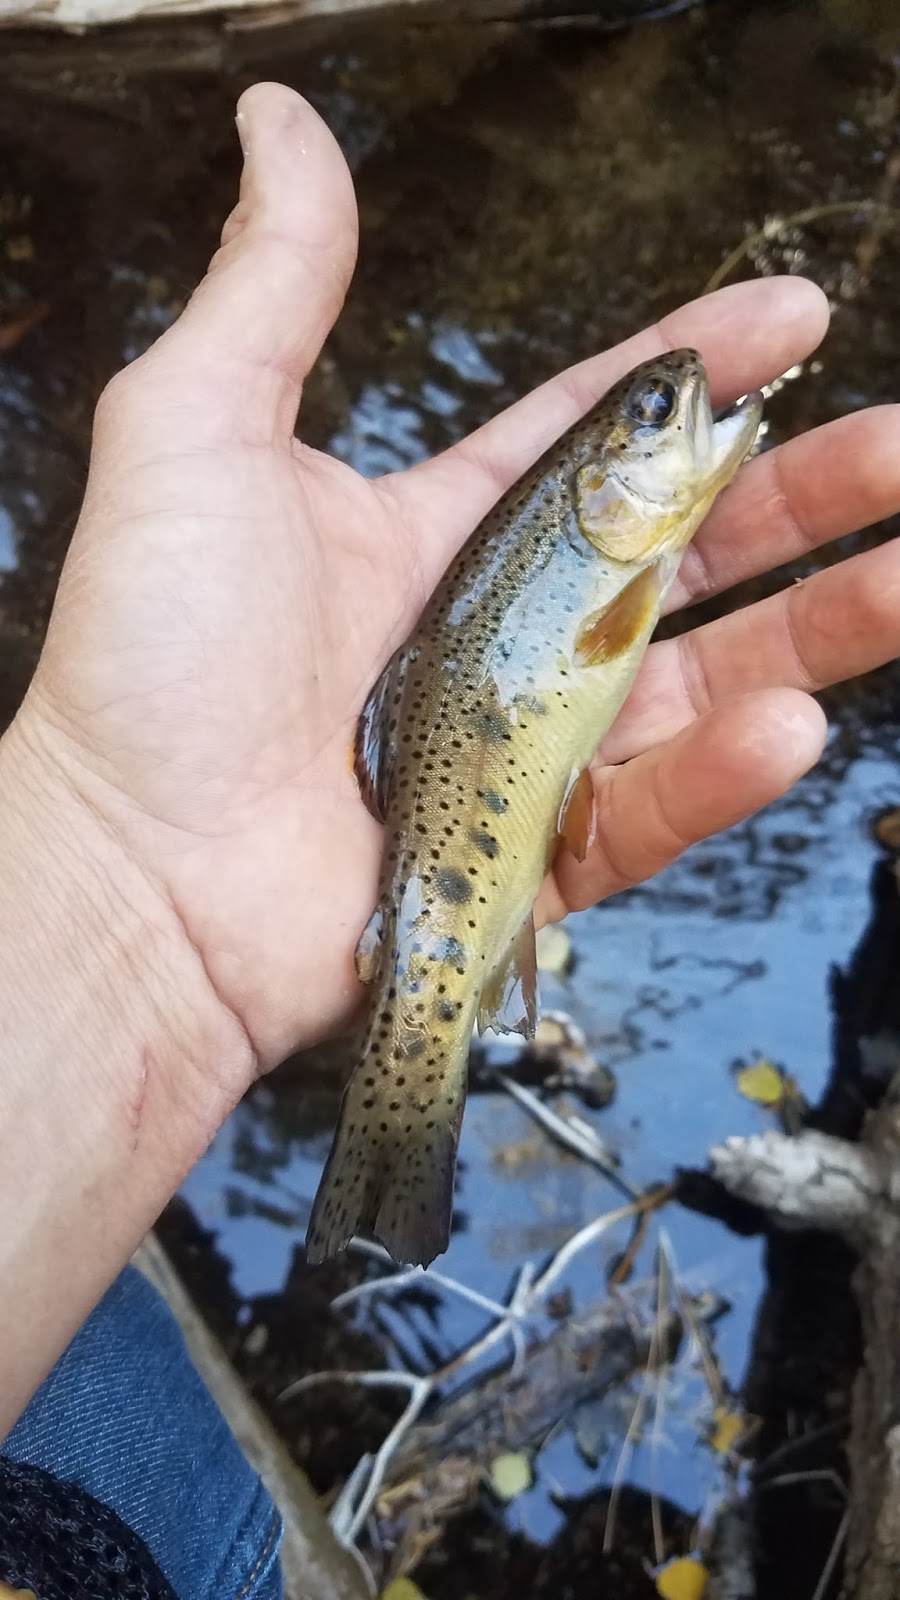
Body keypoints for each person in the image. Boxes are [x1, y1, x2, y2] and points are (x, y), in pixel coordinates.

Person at [0, 77, 898, 1597]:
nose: (680, 419)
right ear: (608, 487)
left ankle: (380, 1174)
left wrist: (119, 919)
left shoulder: (623, 555)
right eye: (652, 422)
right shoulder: (617, 576)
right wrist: (118, 885)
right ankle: (396, 1146)